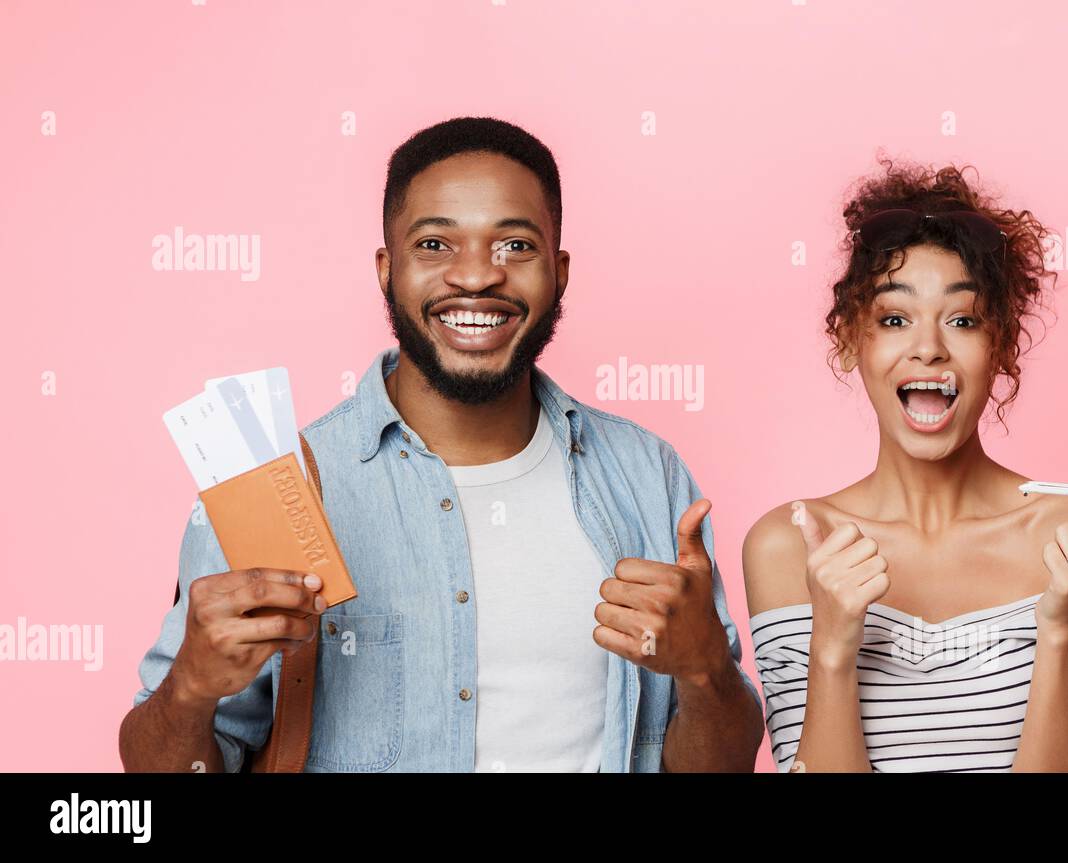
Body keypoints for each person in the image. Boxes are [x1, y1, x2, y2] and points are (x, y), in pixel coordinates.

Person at [120, 116, 764, 773]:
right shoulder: (280, 486)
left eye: (515, 245)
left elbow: (725, 762)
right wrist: (192, 688)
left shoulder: (646, 474)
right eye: (435, 243)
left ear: (559, 271)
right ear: (387, 268)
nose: (477, 276)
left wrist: (706, 668)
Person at [742, 158, 1068, 773]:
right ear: (849, 341)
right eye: (895, 319)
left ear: (1000, 347)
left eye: (962, 320)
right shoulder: (791, 544)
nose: (928, 347)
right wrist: (834, 646)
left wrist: (1062, 630)